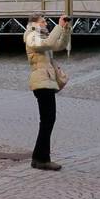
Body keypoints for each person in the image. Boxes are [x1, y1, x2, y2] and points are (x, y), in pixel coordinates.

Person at [24, 13, 70, 171]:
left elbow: (60, 45)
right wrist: (58, 26)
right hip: (41, 83)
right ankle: (41, 159)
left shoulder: (42, 36)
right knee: (47, 120)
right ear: (34, 23)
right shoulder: (31, 36)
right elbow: (49, 43)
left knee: (47, 121)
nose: (45, 24)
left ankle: (39, 158)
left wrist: (65, 29)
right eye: (43, 22)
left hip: (47, 82)